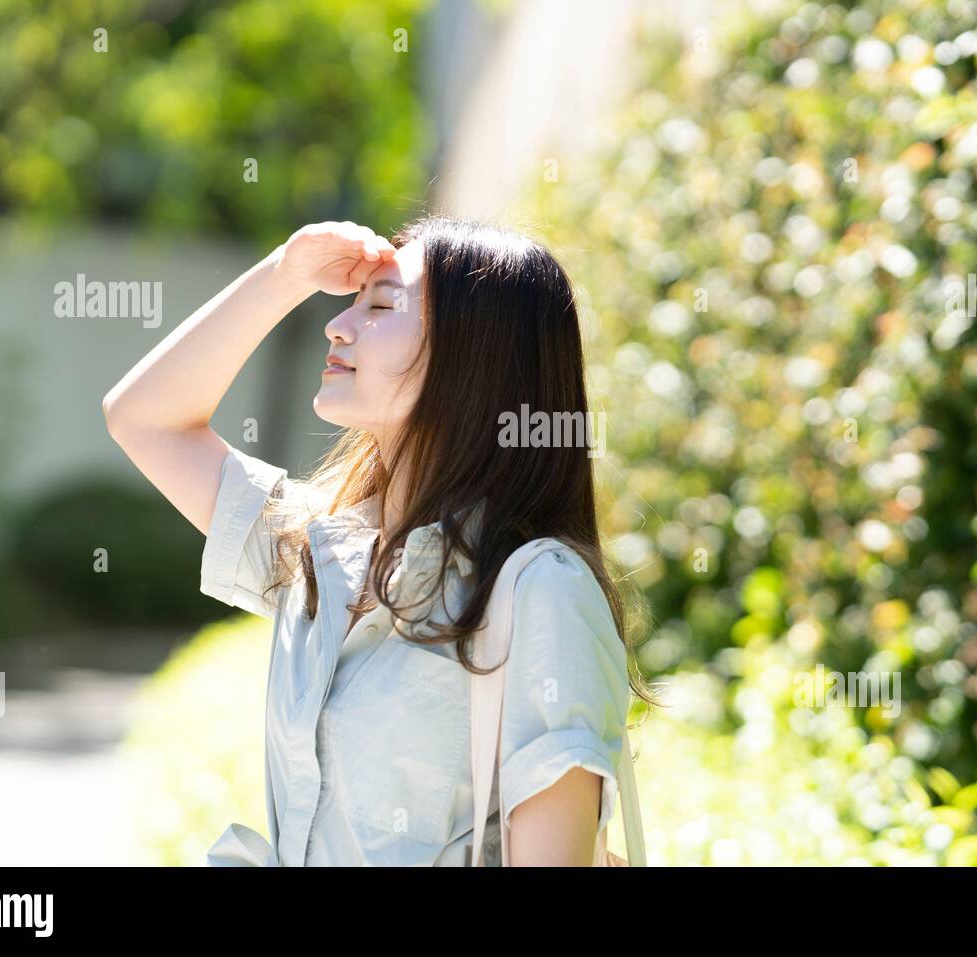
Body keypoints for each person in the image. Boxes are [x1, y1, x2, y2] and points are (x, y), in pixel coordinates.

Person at [102, 215, 653, 865]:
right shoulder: (326, 552)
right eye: (351, 304)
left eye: (383, 306)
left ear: (475, 357)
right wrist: (284, 275)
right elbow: (144, 419)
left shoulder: (540, 590)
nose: (337, 325)